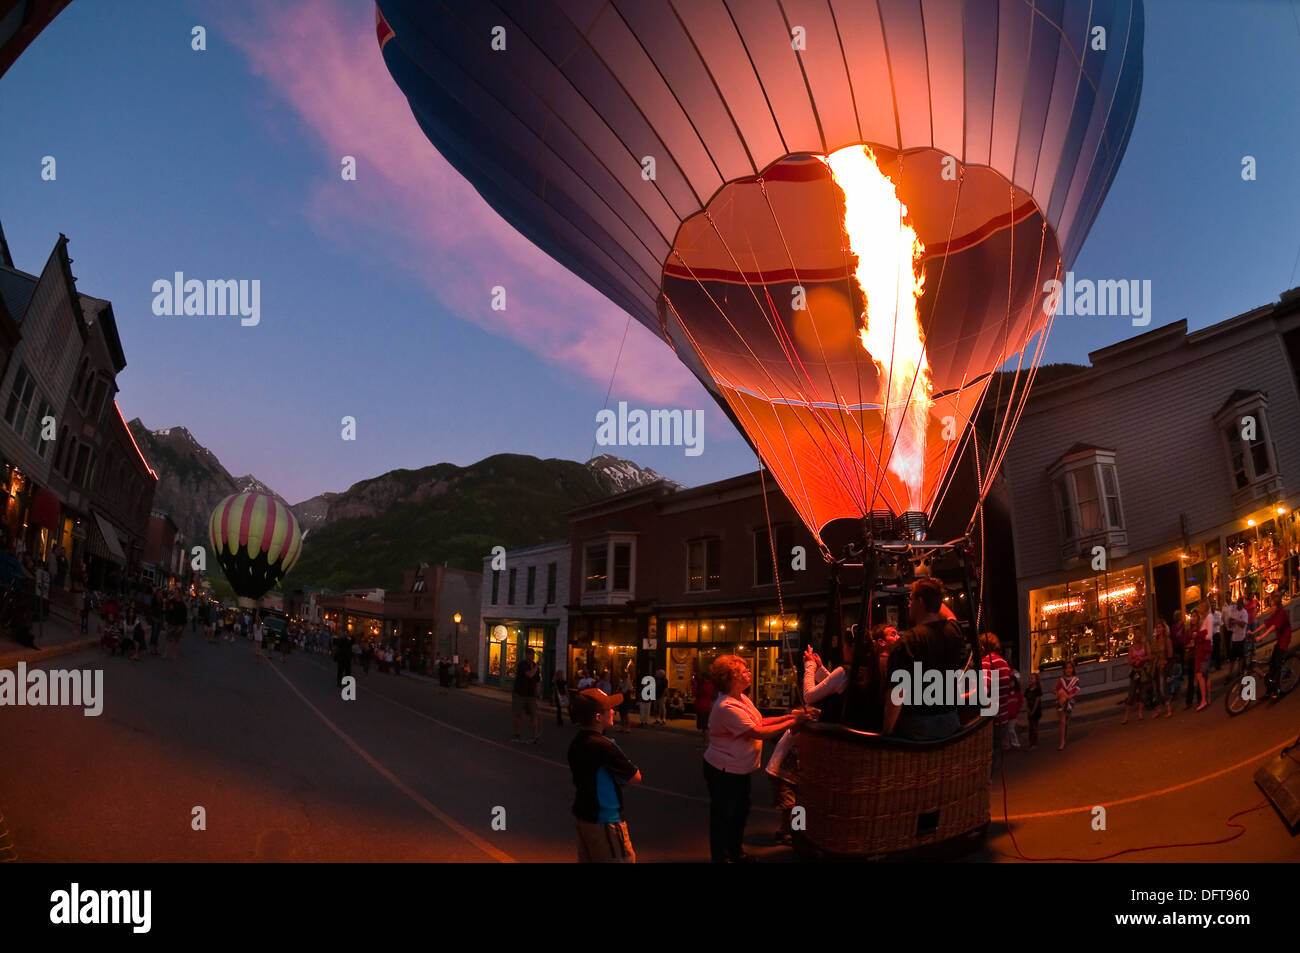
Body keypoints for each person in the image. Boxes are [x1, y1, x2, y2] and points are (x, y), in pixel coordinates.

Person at [701, 655, 804, 863]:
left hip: (739, 769)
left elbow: (760, 720)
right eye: (744, 670)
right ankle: (721, 857)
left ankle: (735, 852)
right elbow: (757, 731)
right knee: (724, 815)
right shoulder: (726, 706)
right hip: (723, 770)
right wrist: (791, 723)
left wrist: (789, 717)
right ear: (732, 677)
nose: (749, 672)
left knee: (740, 811)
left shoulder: (742, 698)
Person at [883, 577, 972, 740]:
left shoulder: (908, 641)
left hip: (919, 723)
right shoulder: (954, 631)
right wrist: (933, 595)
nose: (909, 605)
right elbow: (950, 616)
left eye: (911, 599)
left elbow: (898, 692)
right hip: (950, 718)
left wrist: (887, 732)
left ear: (920, 601)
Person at [567, 688, 641, 862]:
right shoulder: (604, 746)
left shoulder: (577, 742)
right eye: (609, 709)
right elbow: (635, 777)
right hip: (605, 821)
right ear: (598, 717)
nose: (613, 711)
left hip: (584, 815)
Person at [979, 633, 1013, 776]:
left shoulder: (986, 662)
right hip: (1003, 717)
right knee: (997, 752)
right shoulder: (1004, 663)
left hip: (989, 718)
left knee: (986, 755)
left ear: (982, 646)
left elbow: (984, 689)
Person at [1253, 592, 1293, 700]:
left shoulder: (1282, 613)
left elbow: (1273, 627)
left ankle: (1277, 690)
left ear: (1277, 605)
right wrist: (1253, 632)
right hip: (1279, 640)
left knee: (1277, 666)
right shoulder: (1275, 614)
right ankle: (1269, 690)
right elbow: (1266, 624)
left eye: (1272, 605)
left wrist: (1261, 637)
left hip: (1284, 640)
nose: (1270, 607)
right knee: (1271, 665)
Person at [512, 649, 542, 744]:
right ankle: (517, 735)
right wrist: (537, 665)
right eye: (531, 654)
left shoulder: (535, 666)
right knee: (518, 714)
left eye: (533, 654)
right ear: (526, 655)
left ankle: (535, 736)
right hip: (520, 693)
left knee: (534, 715)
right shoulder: (522, 664)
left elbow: (537, 680)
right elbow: (529, 674)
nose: (533, 656)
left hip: (531, 695)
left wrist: (538, 692)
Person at [1122, 629, 1151, 723]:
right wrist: (1135, 660)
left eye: (1139, 634)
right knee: (1132, 692)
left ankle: (1140, 713)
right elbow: (1129, 661)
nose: (1138, 636)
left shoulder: (1145, 645)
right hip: (1135, 672)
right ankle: (1126, 716)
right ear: (1134, 635)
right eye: (1136, 634)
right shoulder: (1131, 647)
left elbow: (1150, 656)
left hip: (1143, 671)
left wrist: (1142, 659)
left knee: (1142, 692)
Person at [1149, 619, 1174, 718]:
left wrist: (1165, 662)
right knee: (1156, 690)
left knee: (1162, 688)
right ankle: (1159, 709)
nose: (1158, 629)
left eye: (1160, 627)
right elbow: (1151, 653)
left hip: (1163, 667)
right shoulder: (1155, 640)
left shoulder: (1167, 640)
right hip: (1155, 667)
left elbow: (1170, 654)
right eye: (1157, 627)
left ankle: (1168, 709)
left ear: (1163, 628)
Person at [1054, 660, 1080, 750]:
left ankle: (1063, 739)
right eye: (1066, 668)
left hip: (1070, 702)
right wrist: (1060, 694)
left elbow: (1076, 692)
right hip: (1061, 702)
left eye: (1070, 668)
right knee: (1062, 722)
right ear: (1064, 670)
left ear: (1073, 669)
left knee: (1065, 723)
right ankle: (1062, 742)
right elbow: (1055, 690)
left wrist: (1068, 696)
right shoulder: (1061, 680)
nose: (1068, 670)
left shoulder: (1075, 680)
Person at [1193, 607, 1213, 711]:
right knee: (1205, 675)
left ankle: (1204, 700)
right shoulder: (1207, 618)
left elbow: (1208, 635)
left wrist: (1198, 635)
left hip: (1204, 651)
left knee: (1200, 675)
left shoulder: (1208, 618)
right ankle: (1207, 698)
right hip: (1204, 650)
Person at [1224, 597, 1249, 676]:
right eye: (1237, 604)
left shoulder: (1244, 612)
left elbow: (1243, 624)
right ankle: (1230, 673)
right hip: (1234, 637)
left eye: (1240, 604)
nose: (1238, 606)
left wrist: (1235, 621)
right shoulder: (1234, 611)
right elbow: (1230, 623)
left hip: (1241, 637)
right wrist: (1230, 622)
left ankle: (1240, 671)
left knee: (1241, 657)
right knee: (1232, 658)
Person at [162, 594, 187, 660]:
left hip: (178, 624)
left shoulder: (182, 604)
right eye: (174, 593)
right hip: (171, 623)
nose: (175, 594)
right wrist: (166, 621)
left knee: (176, 640)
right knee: (168, 638)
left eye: (177, 593)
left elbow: (184, 616)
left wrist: (182, 626)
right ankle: (165, 652)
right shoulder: (171, 602)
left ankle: (174, 654)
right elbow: (168, 611)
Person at [1024, 674, 1043, 750]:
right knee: (1030, 727)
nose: (1031, 680)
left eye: (1032, 678)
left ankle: (1034, 743)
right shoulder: (1027, 690)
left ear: (1036, 680)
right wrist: (1028, 709)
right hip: (1029, 710)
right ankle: (1030, 742)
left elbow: (1037, 701)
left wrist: (1033, 711)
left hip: (1036, 711)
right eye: (1030, 678)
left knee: (1035, 727)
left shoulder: (1037, 690)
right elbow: (1026, 700)